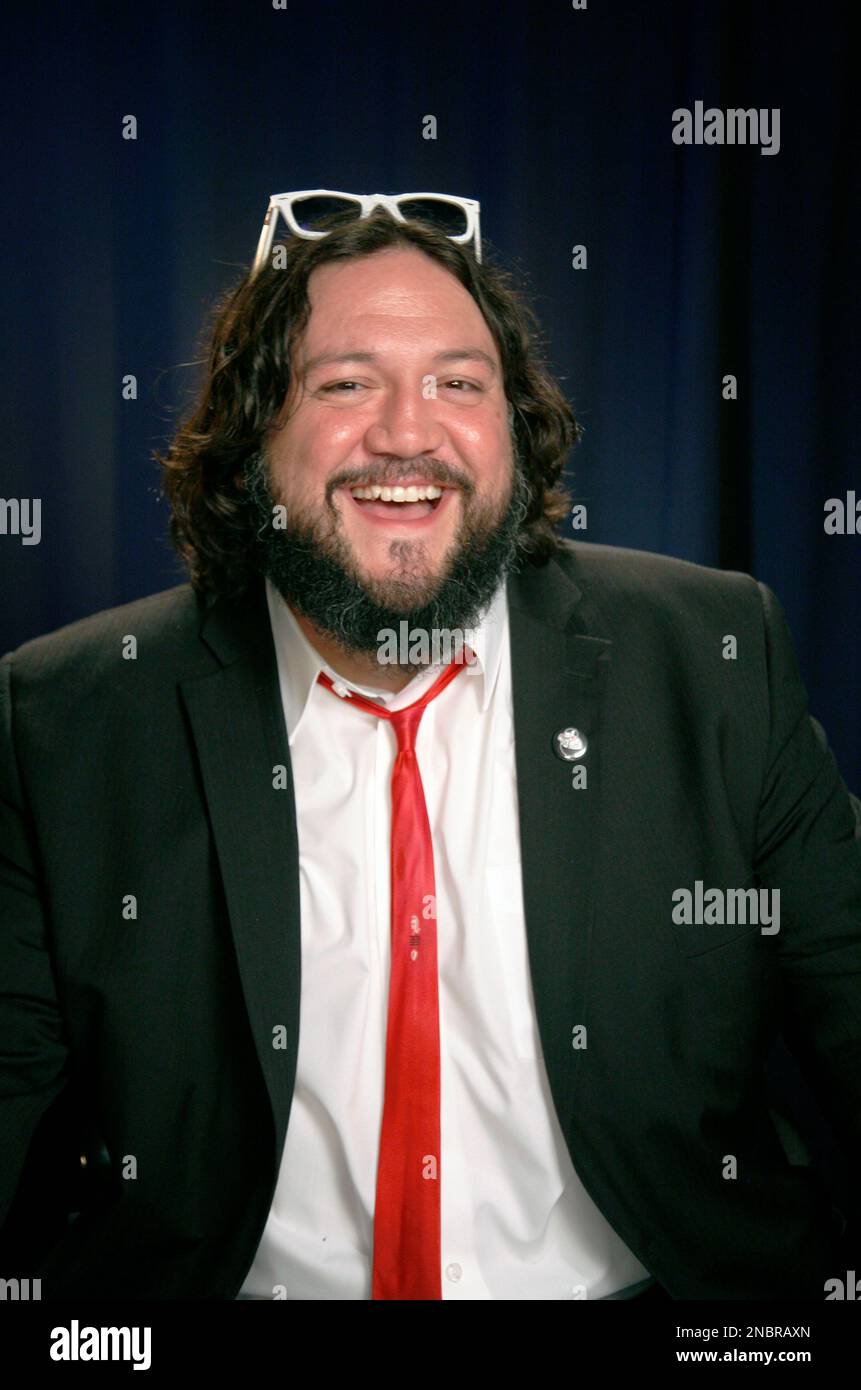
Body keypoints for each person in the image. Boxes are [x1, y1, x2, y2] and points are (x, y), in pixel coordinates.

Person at [1, 194, 858, 1301]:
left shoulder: (717, 653)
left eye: (459, 383)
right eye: (345, 384)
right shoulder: (64, 719)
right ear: (252, 433)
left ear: (516, 426)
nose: (409, 432)